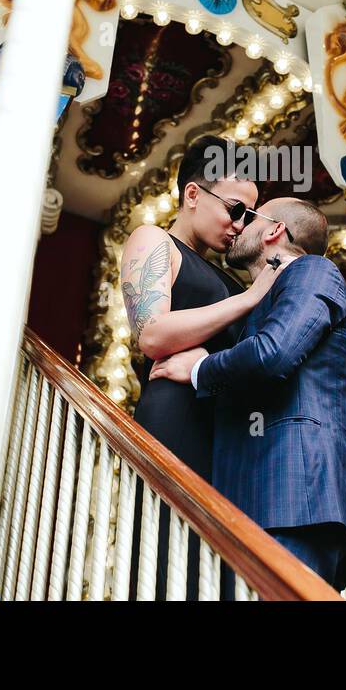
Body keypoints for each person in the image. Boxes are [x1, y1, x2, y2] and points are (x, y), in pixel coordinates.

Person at [150, 197, 346, 592]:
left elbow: (273, 353)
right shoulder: (267, 297)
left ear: (273, 230)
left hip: (293, 494)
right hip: (253, 499)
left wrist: (199, 368)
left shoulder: (313, 271)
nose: (237, 227)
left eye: (247, 218)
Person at [119, 134, 282, 597]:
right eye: (235, 208)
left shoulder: (229, 276)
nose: (240, 224)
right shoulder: (154, 241)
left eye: (249, 215)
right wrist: (251, 298)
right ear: (193, 194)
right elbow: (152, 333)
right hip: (177, 418)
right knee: (170, 563)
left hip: (228, 431)